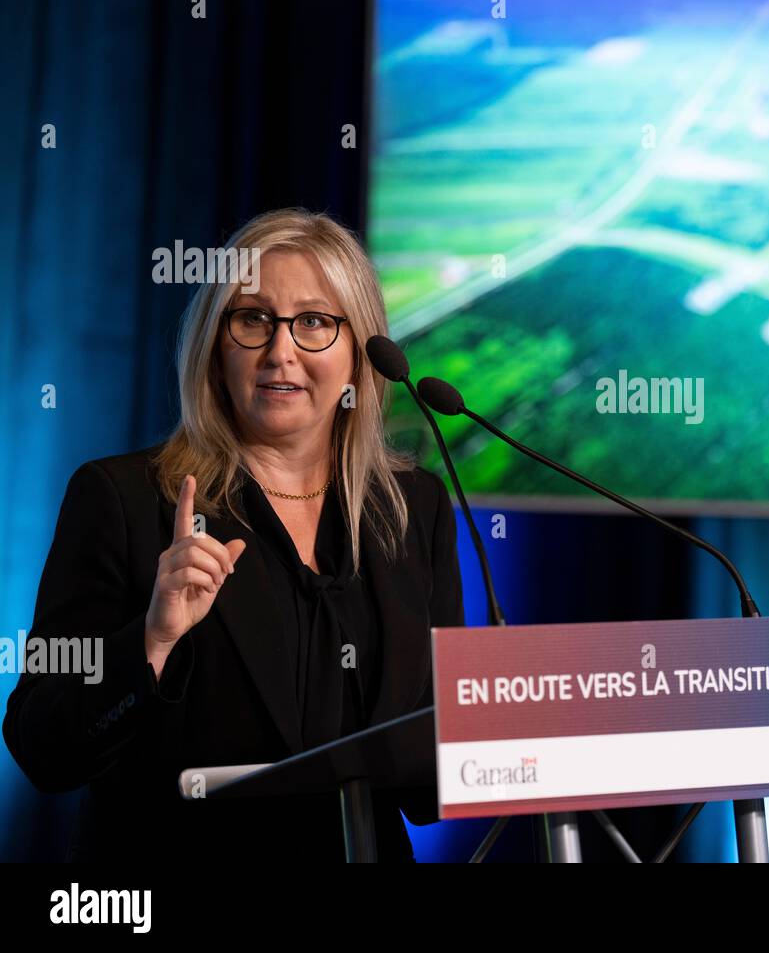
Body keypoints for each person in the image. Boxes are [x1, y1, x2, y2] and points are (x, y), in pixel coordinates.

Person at [2, 208, 463, 862]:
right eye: (253, 320)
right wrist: (152, 641)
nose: (281, 351)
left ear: (360, 354)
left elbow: (432, 771)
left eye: (314, 321)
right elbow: (43, 748)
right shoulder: (124, 500)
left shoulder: (414, 508)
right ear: (216, 348)